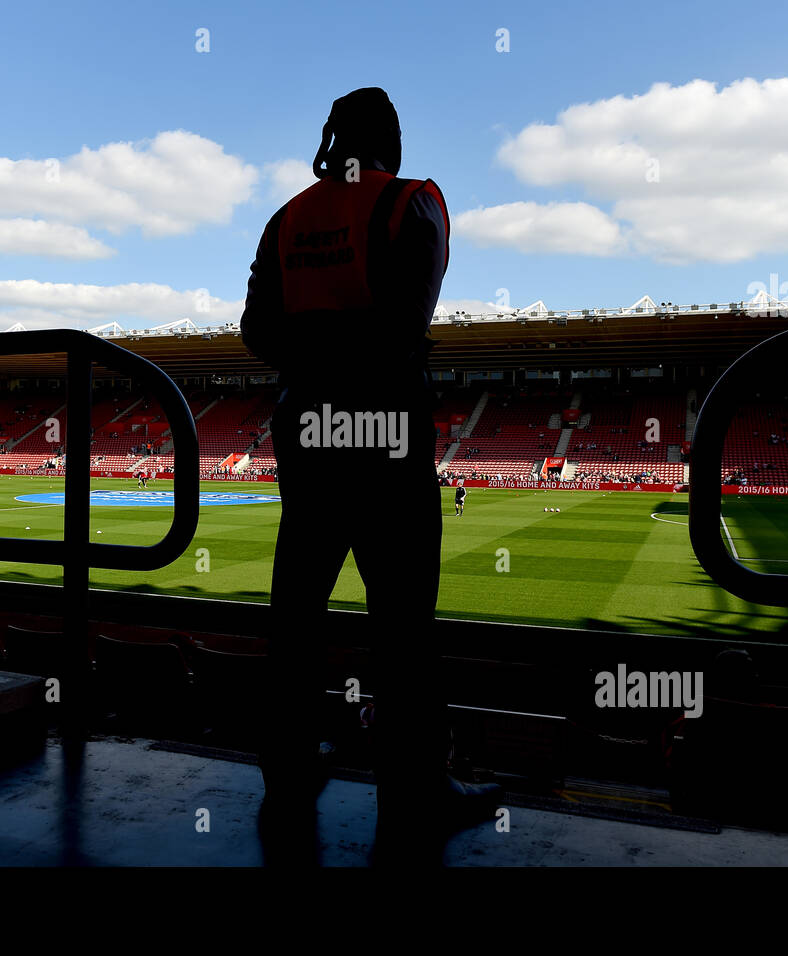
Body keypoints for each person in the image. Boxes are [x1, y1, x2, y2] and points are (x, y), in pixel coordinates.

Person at [241, 87, 497, 867]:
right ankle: (412, 790)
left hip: (306, 427)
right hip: (385, 429)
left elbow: (257, 329)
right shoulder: (414, 202)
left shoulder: (287, 217)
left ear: (331, 140)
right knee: (402, 622)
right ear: (392, 142)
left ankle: (287, 775)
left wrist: (313, 361)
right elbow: (406, 322)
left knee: (297, 608)